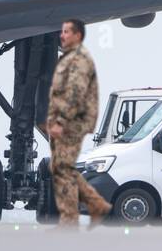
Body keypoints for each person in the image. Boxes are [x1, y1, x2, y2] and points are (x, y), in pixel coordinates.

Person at [47, 19, 113, 229]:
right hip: (67, 120)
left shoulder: (79, 60)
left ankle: (69, 220)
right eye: (62, 31)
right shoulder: (70, 58)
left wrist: (61, 121)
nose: (62, 36)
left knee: (63, 167)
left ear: (78, 35)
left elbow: (75, 94)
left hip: (73, 122)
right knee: (59, 166)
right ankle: (96, 204)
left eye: (67, 32)